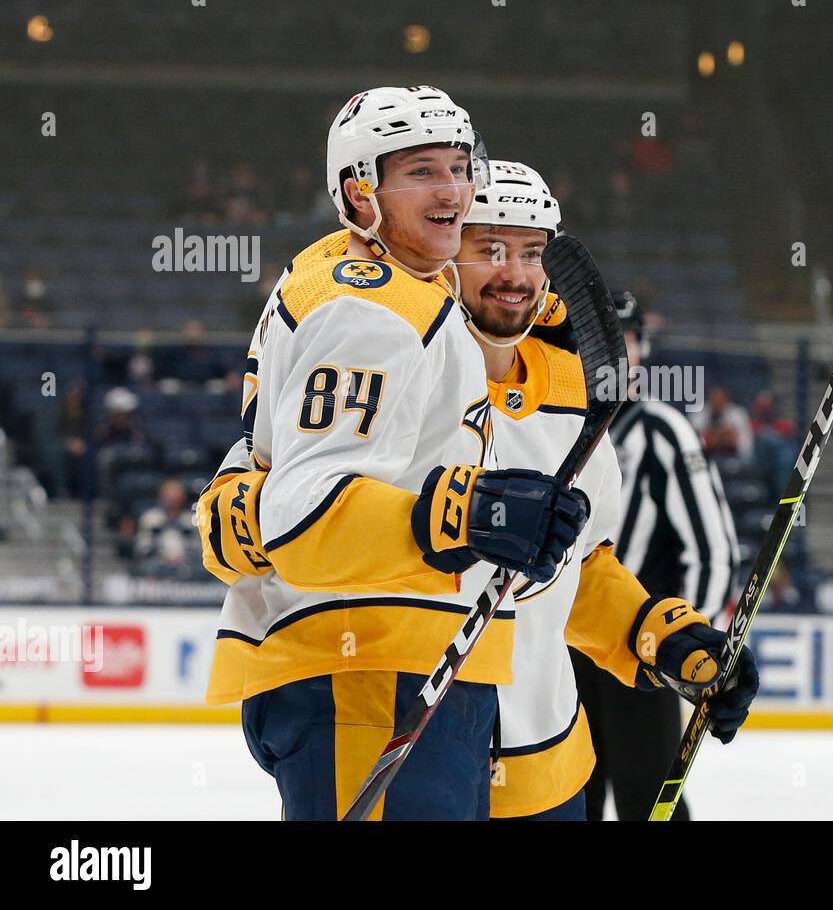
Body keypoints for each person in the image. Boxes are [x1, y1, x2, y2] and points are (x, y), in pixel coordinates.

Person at [193, 86, 589, 820]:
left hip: (404, 661)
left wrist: (546, 310)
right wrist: (471, 518)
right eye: (421, 172)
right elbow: (301, 516)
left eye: (461, 167)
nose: (453, 191)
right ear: (360, 191)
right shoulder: (370, 309)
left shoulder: (369, 279)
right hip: (369, 664)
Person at [450, 162, 757, 820]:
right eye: (492, 250)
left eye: (530, 253)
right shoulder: (426, 374)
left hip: (617, 642)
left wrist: (676, 635)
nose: (514, 273)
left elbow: (702, 549)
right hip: (525, 663)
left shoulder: (651, 429)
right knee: (588, 795)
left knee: (648, 793)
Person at [575, 290, 742, 821]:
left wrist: (683, 644)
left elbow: (712, 549)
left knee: (647, 798)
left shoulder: (663, 431)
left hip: (639, 649)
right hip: (559, 650)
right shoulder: (554, 422)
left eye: (626, 341)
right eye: (603, 341)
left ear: (643, 352)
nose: (617, 355)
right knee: (563, 794)